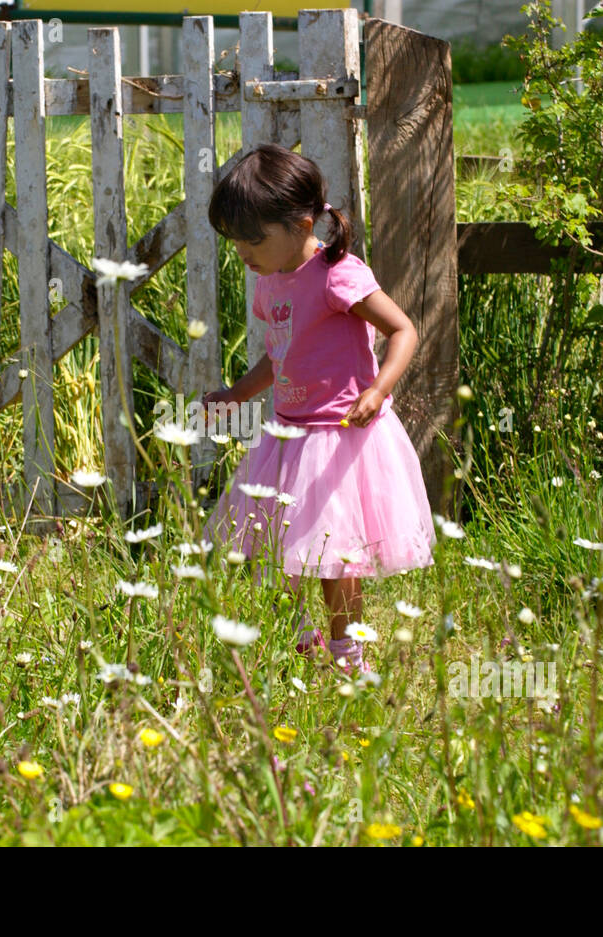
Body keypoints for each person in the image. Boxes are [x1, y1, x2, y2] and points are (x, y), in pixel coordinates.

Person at [201, 143, 436, 676]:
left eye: (253, 240)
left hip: (342, 437)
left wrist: (376, 389)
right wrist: (238, 393)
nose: (243, 253)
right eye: (235, 242)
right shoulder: (271, 282)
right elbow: (279, 353)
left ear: (302, 223)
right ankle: (305, 636)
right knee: (283, 544)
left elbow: (403, 329)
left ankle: (347, 651)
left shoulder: (338, 275)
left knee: (337, 558)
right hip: (290, 435)